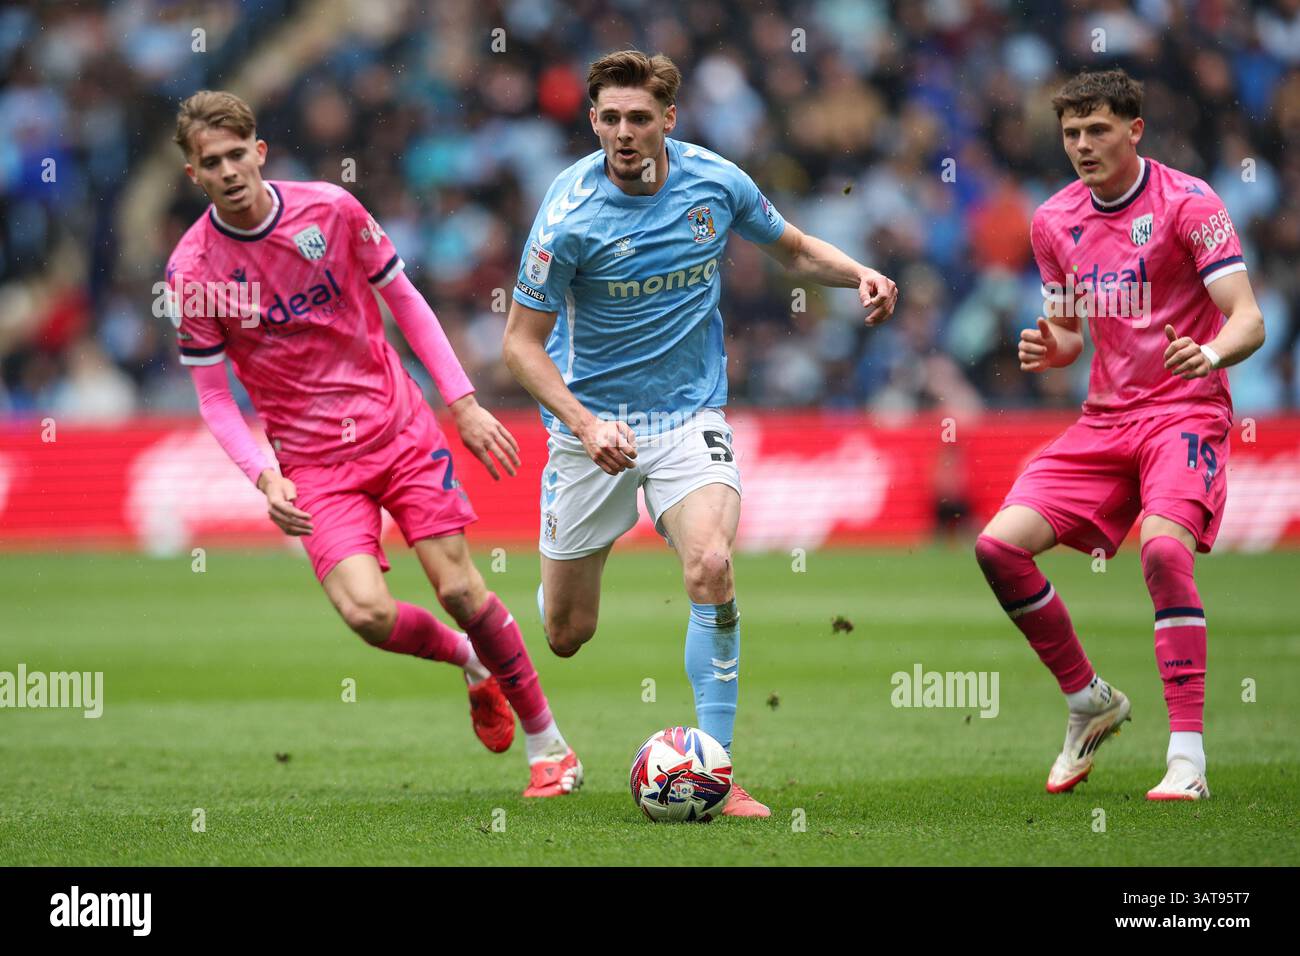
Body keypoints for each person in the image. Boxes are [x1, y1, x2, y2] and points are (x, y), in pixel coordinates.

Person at [502, 51, 898, 817]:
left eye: (639, 118)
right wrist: (585, 425)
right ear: (593, 122)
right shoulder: (567, 214)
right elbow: (519, 343)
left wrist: (860, 275)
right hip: (591, 427)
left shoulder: (715, 181)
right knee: (565, 632)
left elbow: (790, 248)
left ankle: (714, 773)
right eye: (610, 118)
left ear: (668, 121)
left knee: (711, 567)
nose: (624, 132)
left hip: (689, 417)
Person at [165, 90, 581, 798]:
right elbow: (213, 398)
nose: (230, 170)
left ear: (260, 152)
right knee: (365, 613)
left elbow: (406, 303)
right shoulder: (193, 273)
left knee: (459, 587)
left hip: (397, 427)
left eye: (239, 154)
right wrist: (264, 476)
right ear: (193, 176)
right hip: (312, 463)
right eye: (213, 162)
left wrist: (464, 403)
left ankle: (552, 749)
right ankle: (470, 663)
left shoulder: (330, 210)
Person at [975, 69, 1266, 800]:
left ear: (1134, 130)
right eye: (1071, 133)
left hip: (1184, 408)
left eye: (1098, 130)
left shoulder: (1190, 203)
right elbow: (1071, 334)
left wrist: (1210, 354)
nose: (1082, 145)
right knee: (998, 548)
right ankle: (1088, 699)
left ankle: (1187, 760)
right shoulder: (1052, 222)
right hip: (1105, 420)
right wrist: (1054, 348)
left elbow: (1248, 318)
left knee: (1165, 552)